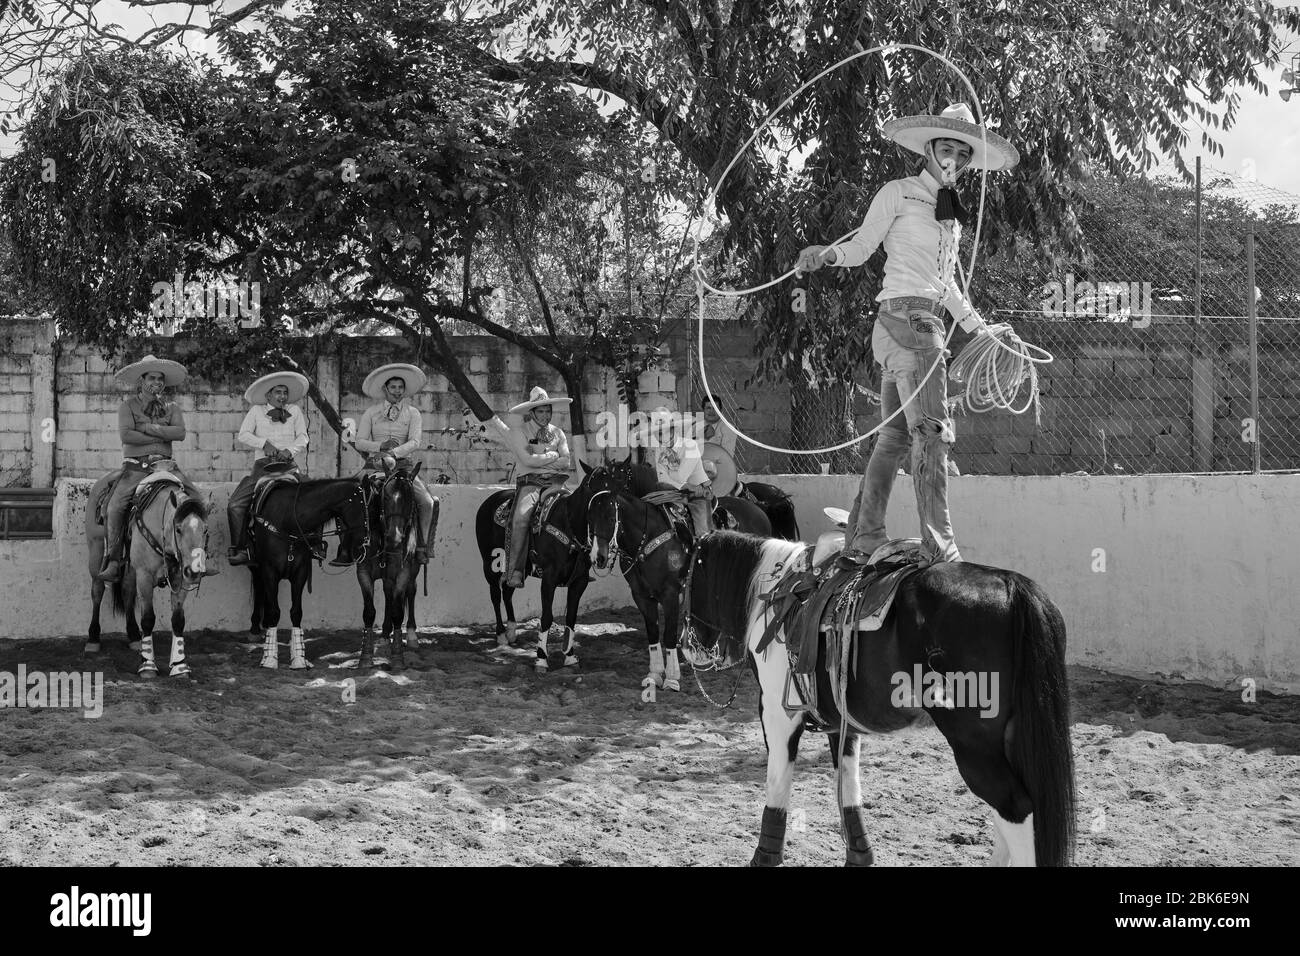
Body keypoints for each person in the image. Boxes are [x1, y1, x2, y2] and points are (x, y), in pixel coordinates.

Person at [794, 102, 1019, 565]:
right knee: (932, 433)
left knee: (895, 438)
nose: (953, 155)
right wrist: (827, 255)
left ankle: (864, 536)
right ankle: (940, 546)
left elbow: (947, 283)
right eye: (946, 147)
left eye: (961, 150)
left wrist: (981, 330)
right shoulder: (899, 192)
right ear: (930, 149)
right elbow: (860, 247)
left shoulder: (949, 214)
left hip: (918, 324)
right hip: (910, 324)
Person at [97, 355, 206, 582]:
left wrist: (147, 428)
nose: (156, 382)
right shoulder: (127, 406)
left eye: (160, 378)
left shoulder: (172, 407)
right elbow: (126, 435)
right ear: (141, 380)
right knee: (115, 507)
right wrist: (162, 434)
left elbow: (181, 433)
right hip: (136, 468)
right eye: (152, 377)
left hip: (167, 466)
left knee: (198, 501)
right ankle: (114, 560)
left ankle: (197, 558)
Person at [481, 386, 574, 589]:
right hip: (530, 483)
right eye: (540, 411)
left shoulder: (558, 433)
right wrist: (552, 456)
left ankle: (579, 566)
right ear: (531, 413)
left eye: (548, 410)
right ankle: (515, 570)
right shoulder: (519, 432)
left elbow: (567, 461)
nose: (545, 415)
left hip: (557, 482)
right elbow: (526, 460)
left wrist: (542, 459)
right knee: (521, 518)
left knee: (578, 510)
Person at [351, 363, 438, 564]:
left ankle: (423, 546)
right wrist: (380, 445)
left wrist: (392, 452)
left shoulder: (413, 413)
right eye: (393, 387)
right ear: (385, 389)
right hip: (375, 465)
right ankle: (349, 546)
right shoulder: (371, 412)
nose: (397, 391)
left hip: (403, 467)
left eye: (400, 387)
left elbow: (415, 442)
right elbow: (359, 441)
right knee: (349, 497)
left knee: (427, 502)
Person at [226, 371, 311, 567]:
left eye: (284, 392)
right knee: (235, 505)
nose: (282, 396)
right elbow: (243, 435)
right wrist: (265, 444)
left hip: (289, 467)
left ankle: (314, 543)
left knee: (315, 494)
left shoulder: (295, 411)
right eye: (277, 392)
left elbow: (303, 437)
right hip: (263, 467)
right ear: (268, 396)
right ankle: (241, 549)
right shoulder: (256, 411)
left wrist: (290, 451)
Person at [644, 405, 712, 538]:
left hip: (698, 494)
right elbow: (662, 479)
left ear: (672, 429)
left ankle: (705, 550)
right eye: (657, 431)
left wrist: (672, 476)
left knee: (702, 535)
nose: (660, 434)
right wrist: (675, 480)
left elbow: (680, 476)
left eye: (663, 430)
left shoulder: (691, 446)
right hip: (673, 492)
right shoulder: (659, 450)